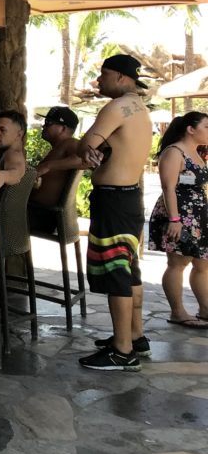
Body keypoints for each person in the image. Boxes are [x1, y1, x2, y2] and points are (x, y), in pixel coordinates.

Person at [77, 53, 153, 371]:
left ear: (122, 77)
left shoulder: (117, 107)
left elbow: (88, 144)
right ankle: (134, 337)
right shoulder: (142, 110)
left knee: (115, 271)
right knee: (129, 268)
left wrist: (83, 148)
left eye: (103, 74)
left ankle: (122, 351)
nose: (99, 80)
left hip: (114, 200)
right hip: (130, 198)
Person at [146, 112, 208, 329]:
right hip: (179, 215)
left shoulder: (198, 151)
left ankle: (205, 309)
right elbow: (168, 187)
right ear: (191, 129)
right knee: (178, 263)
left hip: (198, 216)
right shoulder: (174, 152)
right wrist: (174, 219)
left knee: (202, 263)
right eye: (207, 127)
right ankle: (177, 312)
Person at [28, 106, 83, 232]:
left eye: (48, 123)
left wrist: (48, 165)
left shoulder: (71, 143)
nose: (43, 126)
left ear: (63, 128)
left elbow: (84, 160)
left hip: (42, 214)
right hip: (36, 211)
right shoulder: (58, 149)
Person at [0, 110, 27, 191]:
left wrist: (4, 176)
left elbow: (17, 173)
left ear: (19, 134)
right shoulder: (16, 153)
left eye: (2, 129)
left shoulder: (13, 154)